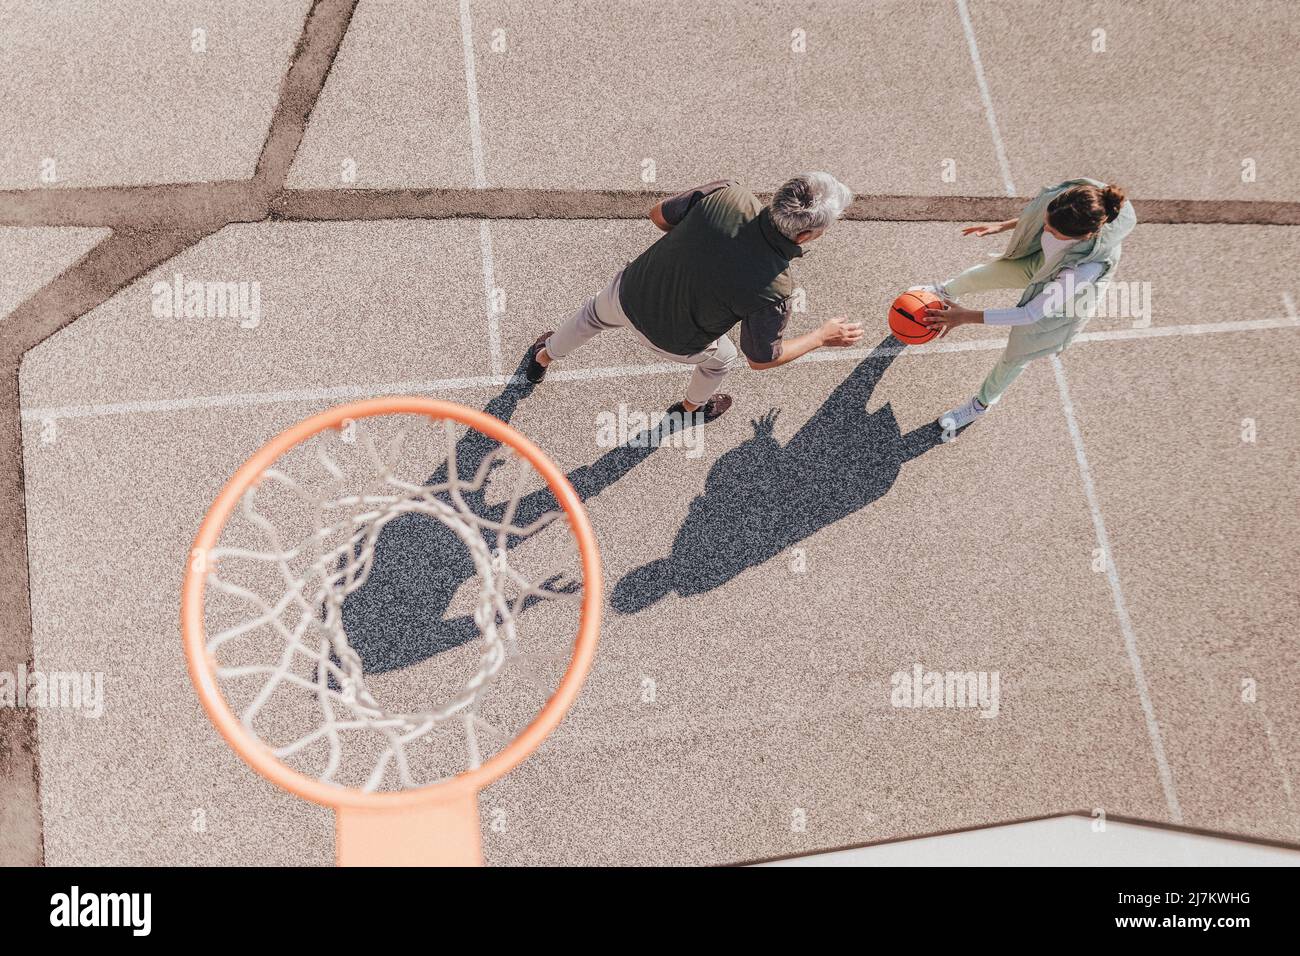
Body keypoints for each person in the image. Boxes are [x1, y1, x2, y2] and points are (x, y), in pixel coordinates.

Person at [524, 173, 865, 422]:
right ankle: (690, 409)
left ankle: (543, 358)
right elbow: (761, 359)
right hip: (676, 342)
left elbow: (658, 214)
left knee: (590, 317)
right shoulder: (776, 289)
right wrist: (821, 336)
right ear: (805, 234)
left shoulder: (728, 193)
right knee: (721, 359)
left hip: (629, 292)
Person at [917, 178, 1135, 433]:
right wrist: (1003, 225)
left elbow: (1030, 313)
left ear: (1083, 237)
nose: (1047, 231)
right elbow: (1038, 218)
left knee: (1016, 356)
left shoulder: (1086, 268)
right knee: (981, 274)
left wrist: (964, 316)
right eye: (1047, 224)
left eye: (1054, 232)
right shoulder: (1074, 199)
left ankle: (981, 404)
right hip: (1042, 262)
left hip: (1062, 304)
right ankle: (939, 294)